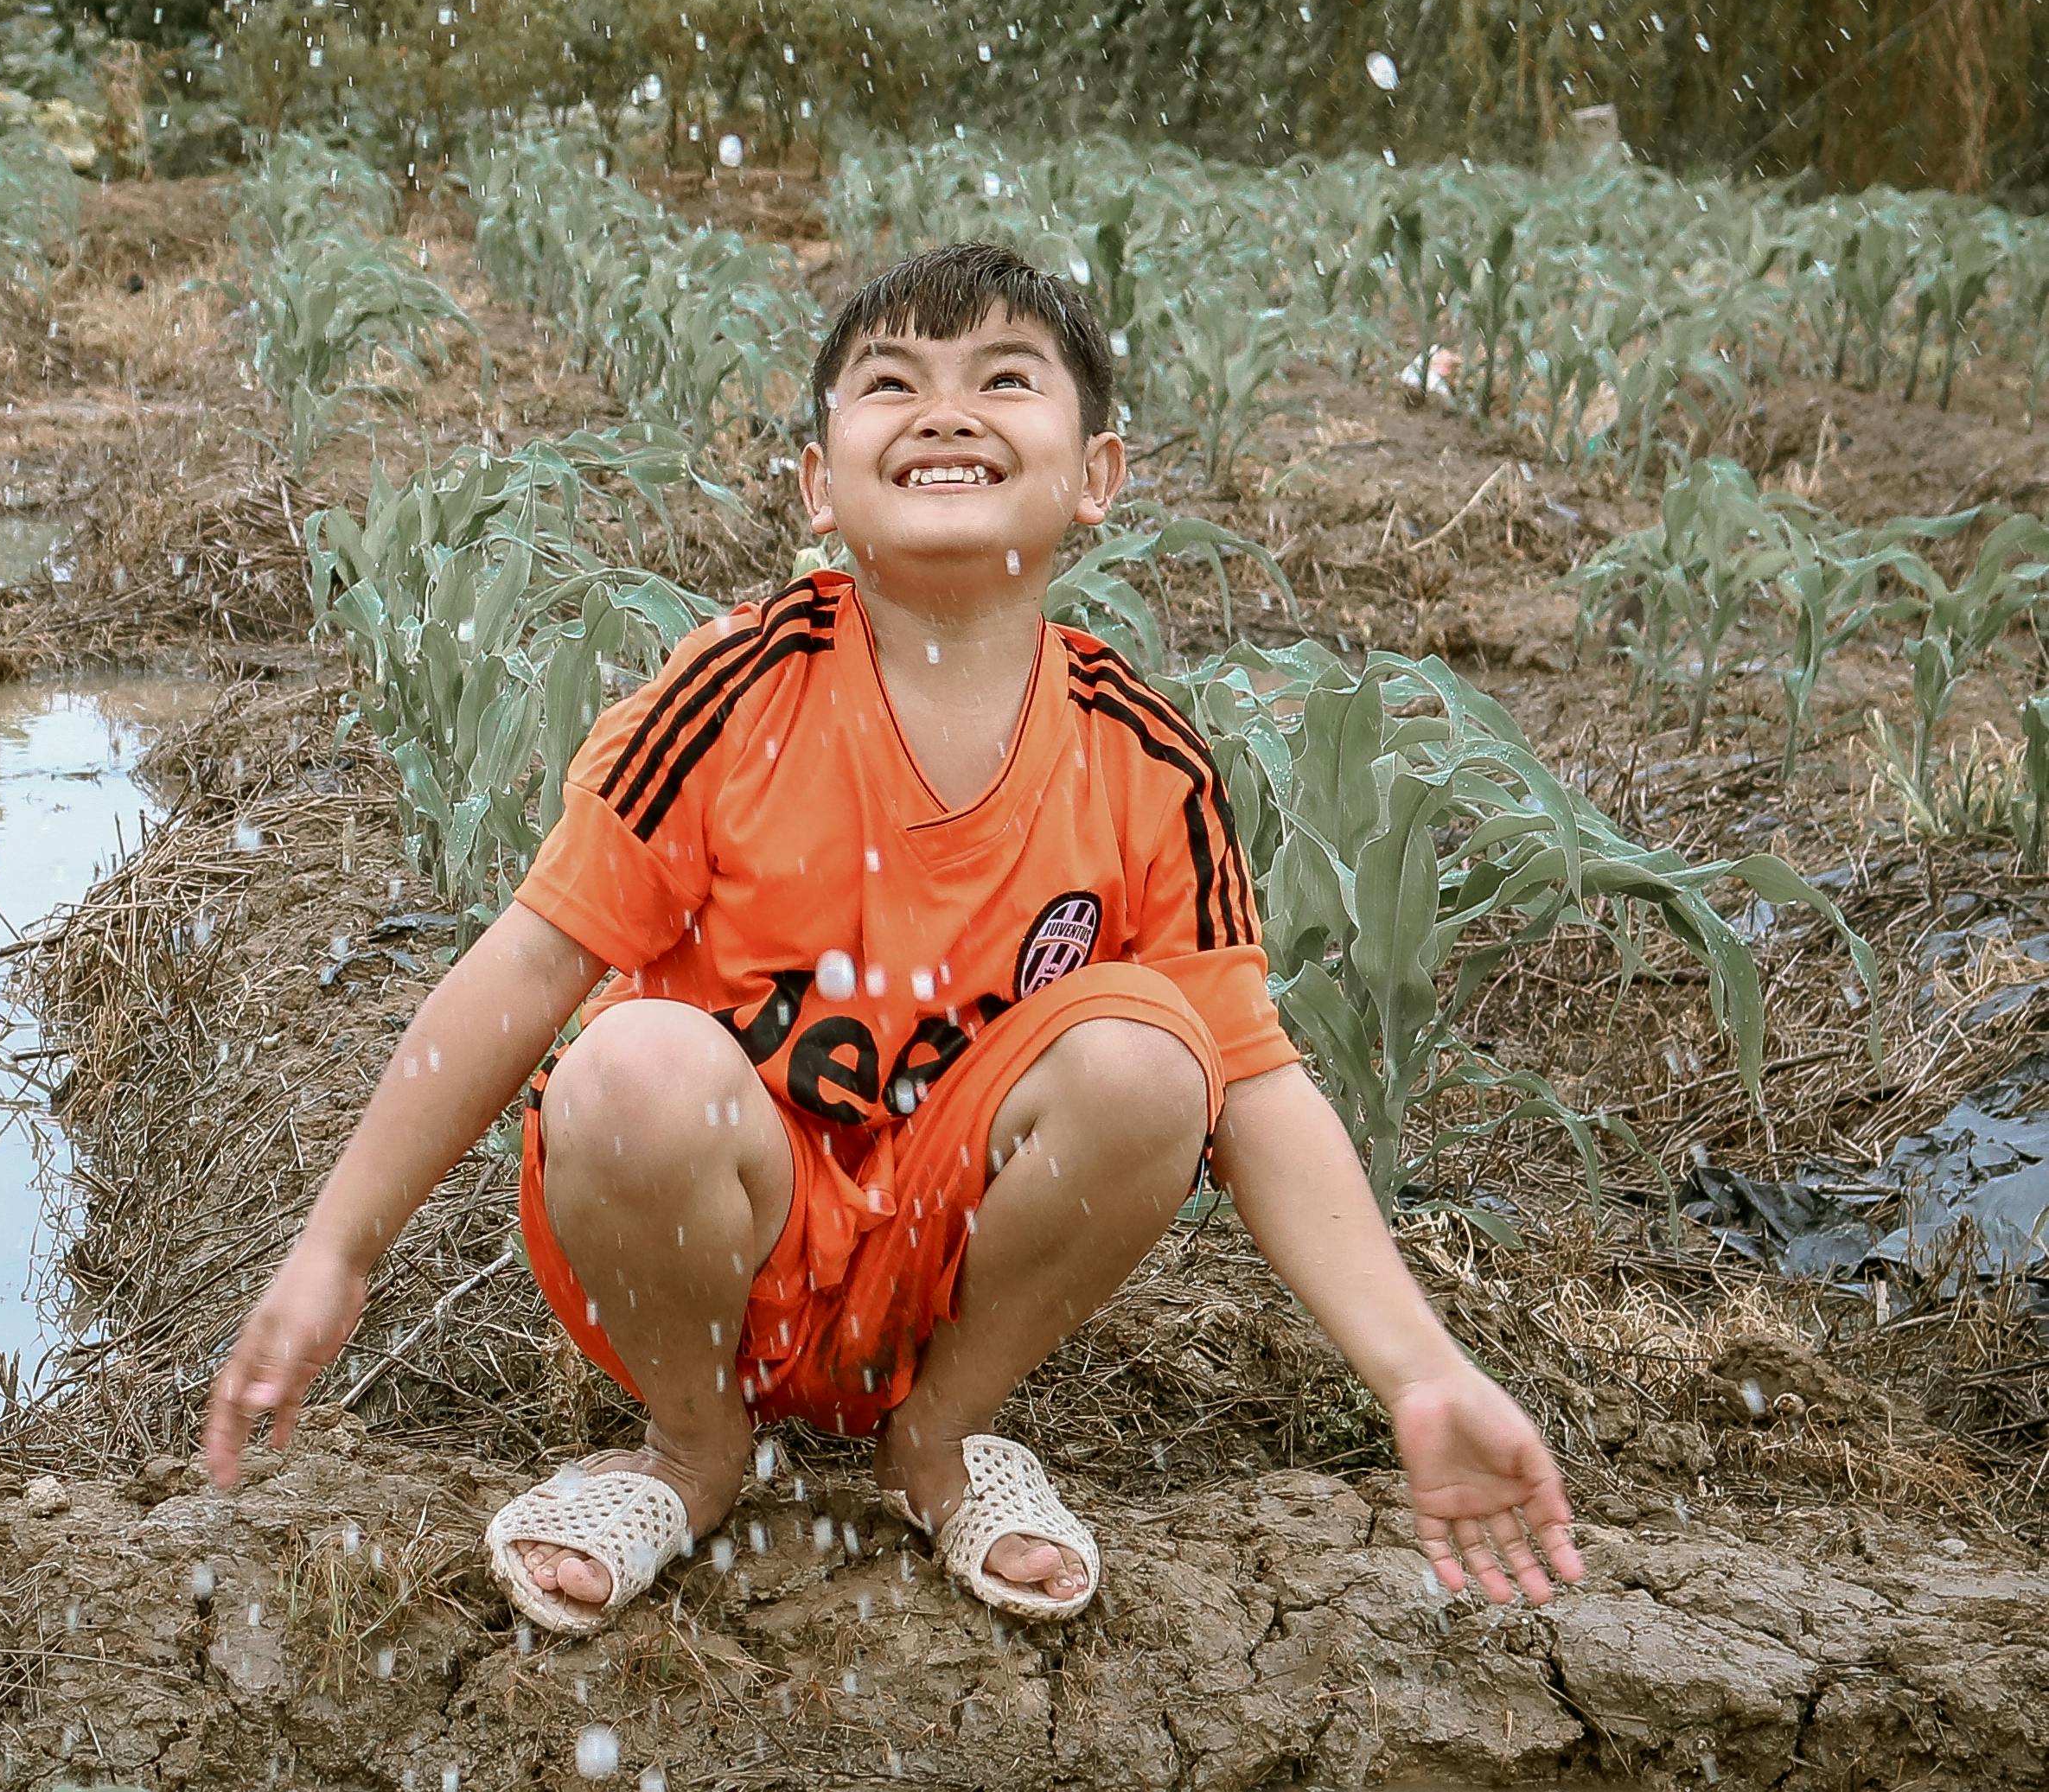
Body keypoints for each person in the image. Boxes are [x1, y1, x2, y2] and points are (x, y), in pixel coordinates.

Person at [202, 241, 1584, 1632]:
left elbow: (1263, 1089)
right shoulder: (733, 695)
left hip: (942, 1263)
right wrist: (339, 1248)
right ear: (819, 483)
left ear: (1098, 475)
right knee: (622, 1065)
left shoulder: (1144, 761)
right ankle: (691, 1446)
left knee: (1158, 1061)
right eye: (890, 382)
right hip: (716, 1229)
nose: (945, 410)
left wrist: (1419, 1373)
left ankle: (939, 1440)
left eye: (1003, 377)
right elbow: (528, 961)